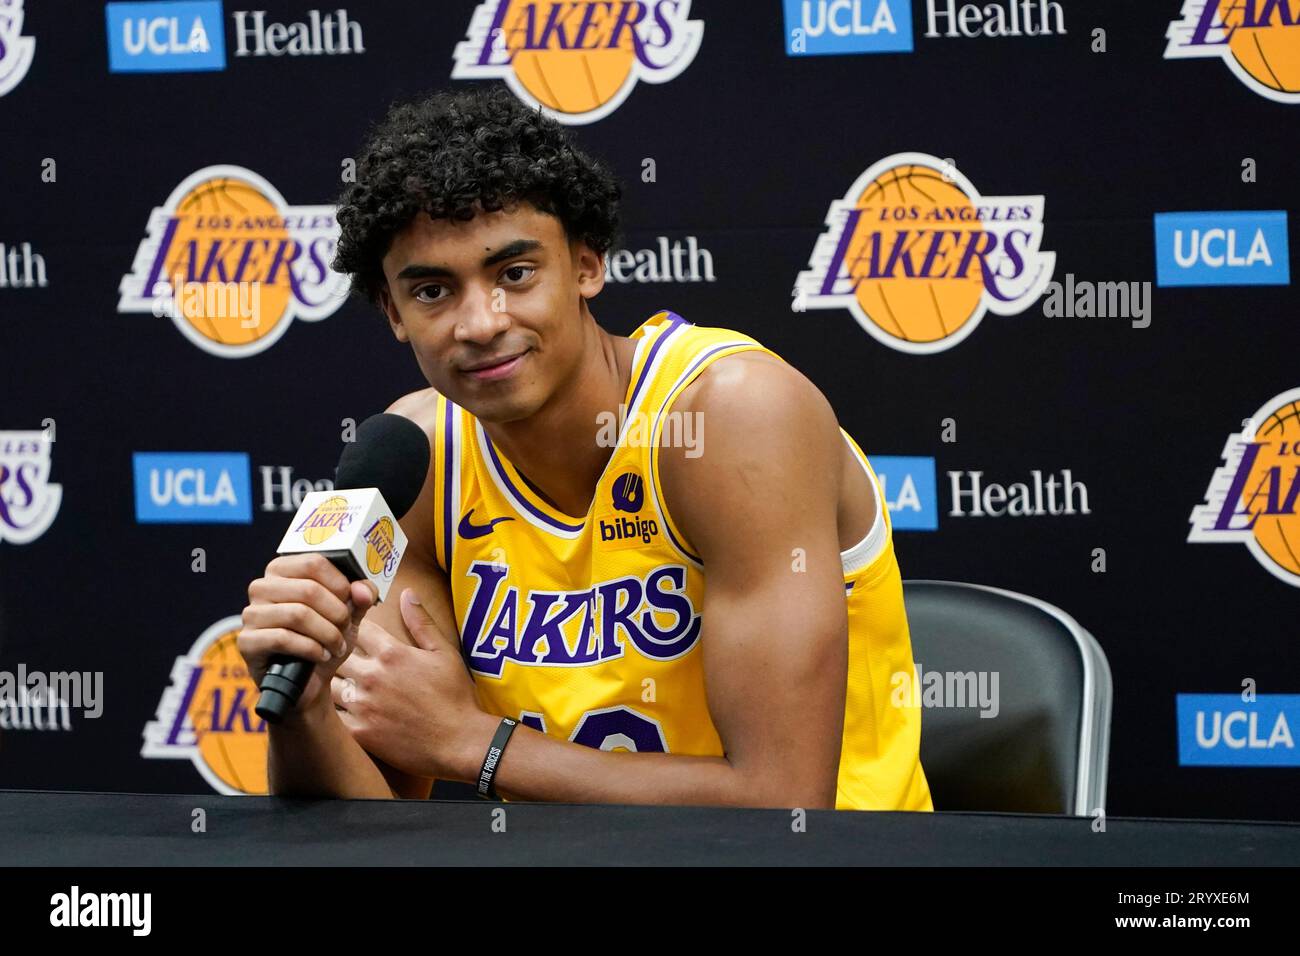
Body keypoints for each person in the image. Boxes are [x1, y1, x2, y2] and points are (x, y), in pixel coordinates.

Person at [237, 87, 932, 811]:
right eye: (434, 291)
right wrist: (305, 709)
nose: (481, 322)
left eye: (514, 273)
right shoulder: (415, 455)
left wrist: (471, 743)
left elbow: (783, 802)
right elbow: (377, 811)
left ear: (588, 266)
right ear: (394, 314)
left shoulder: (729, 416)